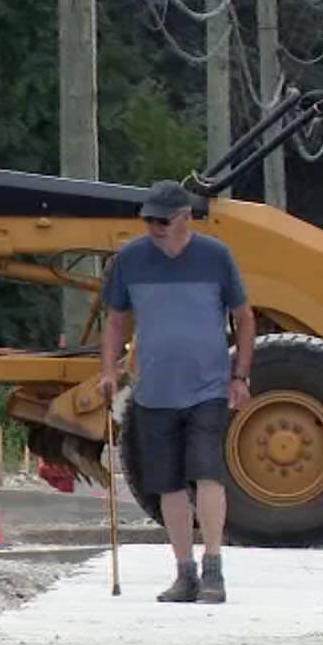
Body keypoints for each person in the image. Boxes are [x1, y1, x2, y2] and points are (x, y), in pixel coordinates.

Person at [101, 180, 255, 605]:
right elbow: (116, 321)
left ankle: (213, 569)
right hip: (153, 391)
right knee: (167, 484)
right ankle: (183, 573)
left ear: (186, 218)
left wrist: (240, 376)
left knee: (207, 473)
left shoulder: (215, 257)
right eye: (148, 219)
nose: (154, 226)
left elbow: (244, 317)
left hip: (208, 387)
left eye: (162, 220)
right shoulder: (130, 260)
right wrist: (109, 370)